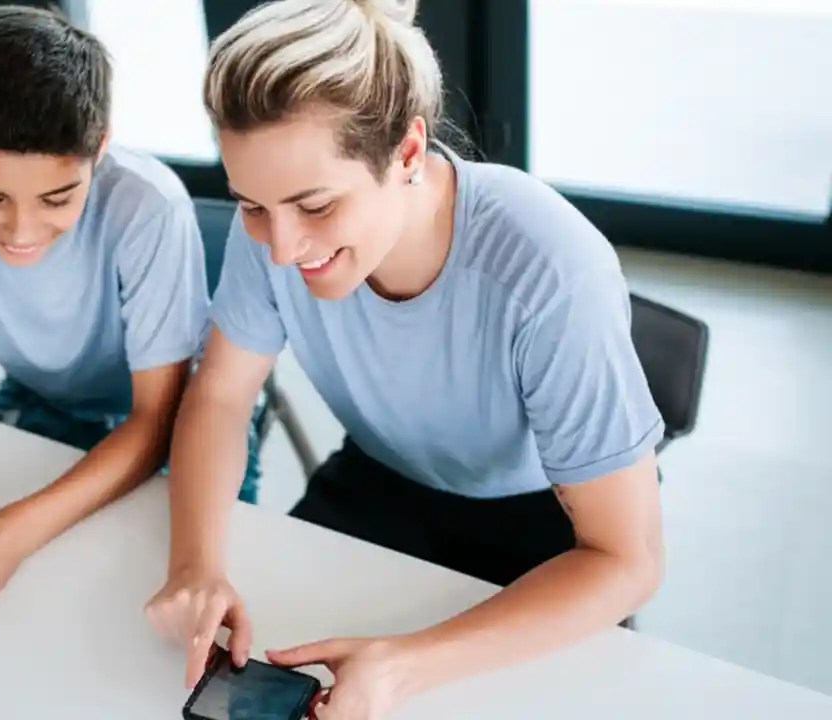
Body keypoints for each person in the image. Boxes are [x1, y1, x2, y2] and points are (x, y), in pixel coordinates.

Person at [144, 0, 665, 717]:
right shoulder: (268, 229)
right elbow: (223, 398)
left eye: (316, 206)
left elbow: (627, 561)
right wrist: (194, 564)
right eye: (252, 206)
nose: (283, 248)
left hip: (540, 517)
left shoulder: (551, 270)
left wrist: (405, 668)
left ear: (409, 154)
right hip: (382, 476)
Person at [0, 6, 227, 599]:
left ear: (100, 150)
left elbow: (157, 420)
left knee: (153, 579)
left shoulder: (150, 208)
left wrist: (12, 536)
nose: (21, 230)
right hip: (43, 391)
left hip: (186, 410)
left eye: (57, 198)